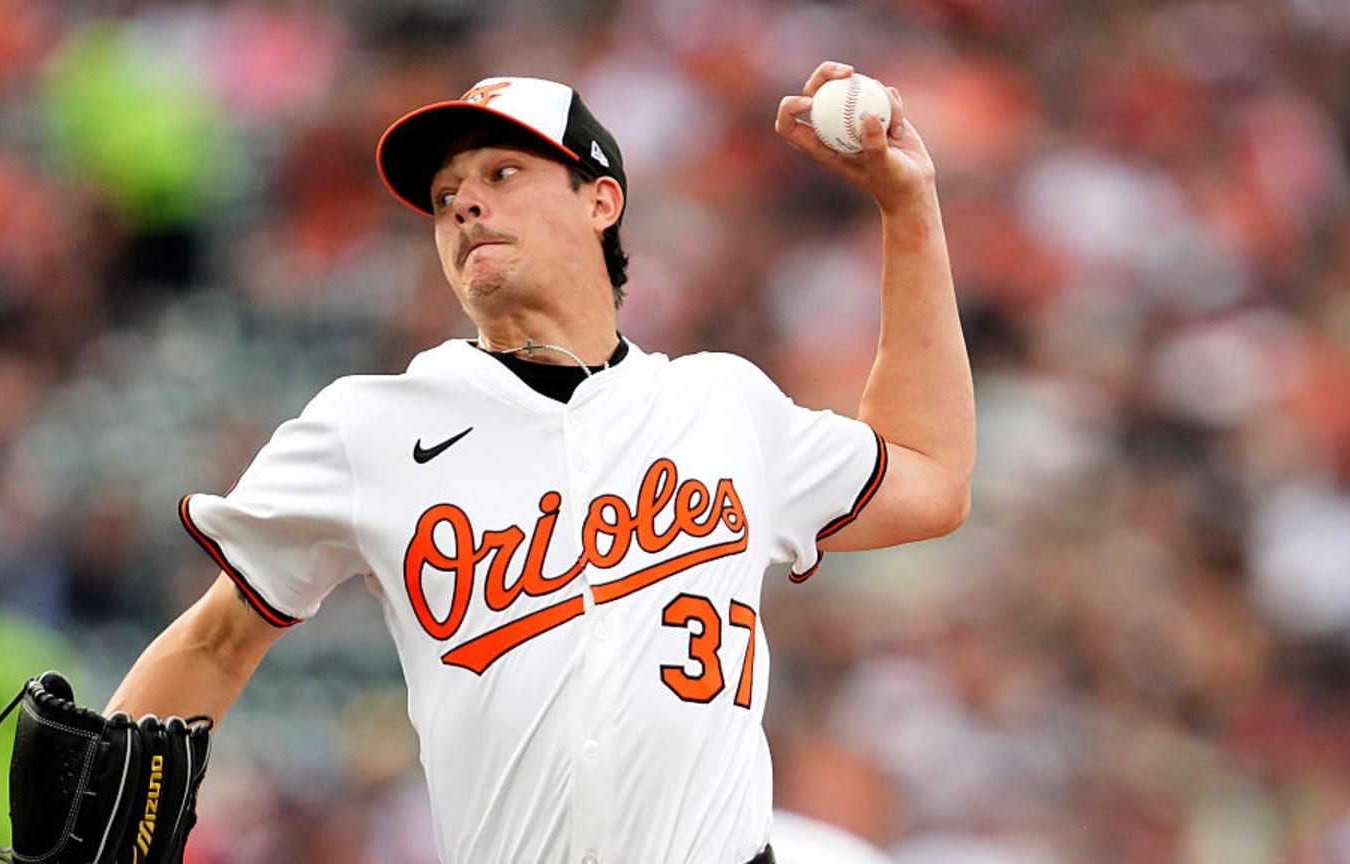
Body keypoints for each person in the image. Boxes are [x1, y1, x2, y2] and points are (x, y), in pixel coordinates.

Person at [105, 62, 973, 864]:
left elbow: (930, 476)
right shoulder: (368, 427)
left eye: (501, 174)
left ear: (601, 200)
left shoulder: (722, 406)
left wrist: (908, 212)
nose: (463, 206)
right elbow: (217, 641)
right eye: (446, 194)